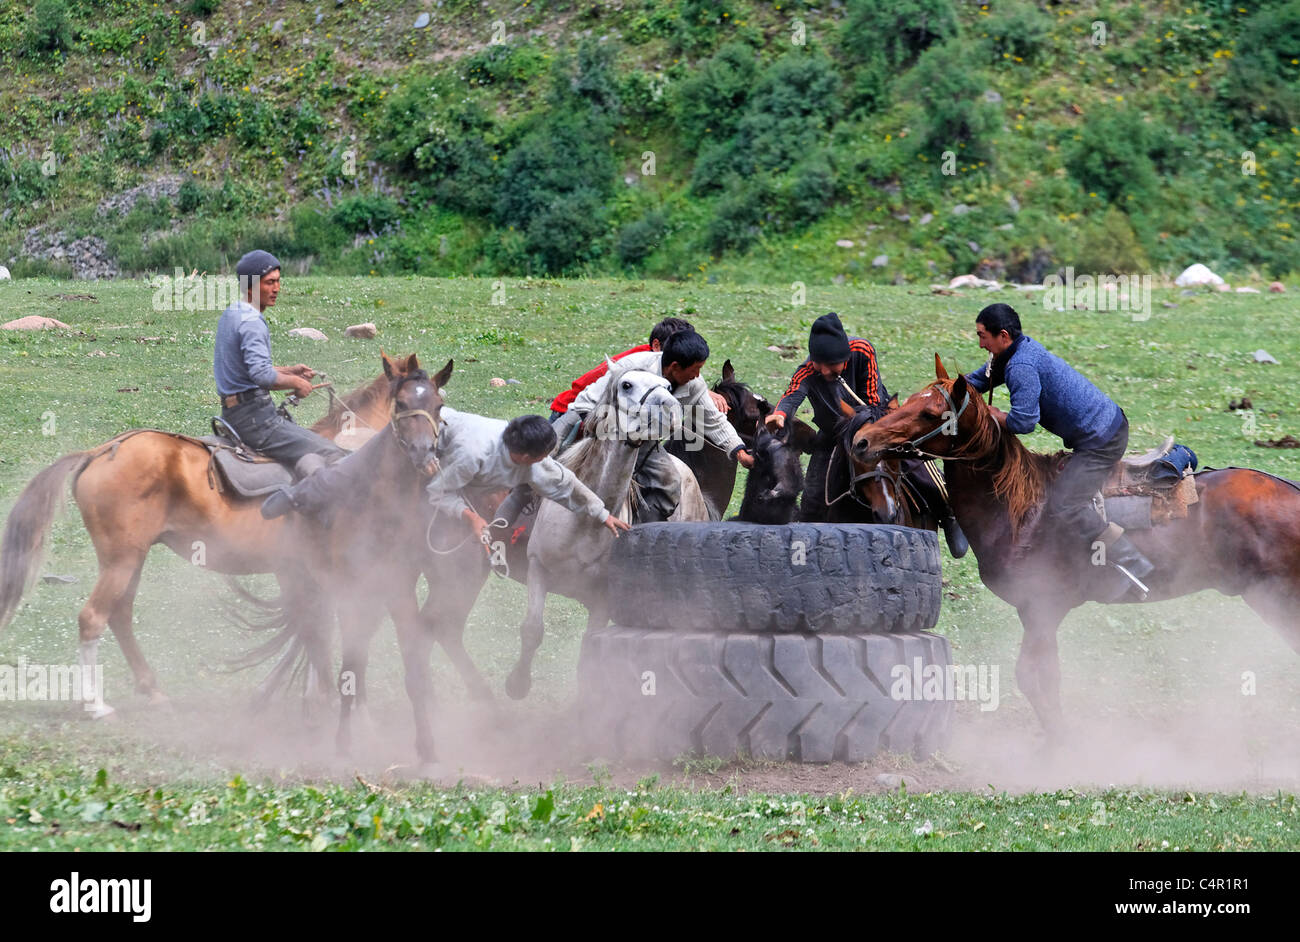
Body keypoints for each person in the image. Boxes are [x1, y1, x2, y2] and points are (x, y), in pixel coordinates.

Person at [963, 303, 1153, 600]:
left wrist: (995, 414)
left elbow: (1024, 422)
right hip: (1101, 427)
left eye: (982, 336)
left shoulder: (1020, 366)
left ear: (1002, 335)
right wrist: (945, 391)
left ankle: (1132, 561)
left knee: (1065, 505)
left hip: (1102, 440)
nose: (980, 344)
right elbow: (977, 381)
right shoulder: (1013, 351)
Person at [766, 312, 967, 554]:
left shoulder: (862, 350)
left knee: (919, 467)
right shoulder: (809, 370)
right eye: (819, 364)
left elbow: (873, 401)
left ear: (845, 357)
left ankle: (948, 514)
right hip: (834, 435)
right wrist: (780, 414)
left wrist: (865, 427)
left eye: (831, 365)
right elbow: (793, 392)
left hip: (876, 423)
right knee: (812, 497)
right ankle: (809, 551)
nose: (824, 370)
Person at [264, 411, 629, 543]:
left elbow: (565, 484)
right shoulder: (474, 457)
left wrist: (602, 513)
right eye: (542, 457)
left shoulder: (533, 462)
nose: (546, 462)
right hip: (412, 438)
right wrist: (470, 516)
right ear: (523, 455)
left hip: (444, 458)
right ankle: (297, 497)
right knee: (352, 471)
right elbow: (439, 492)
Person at [555, 329, 755, 522]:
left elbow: (714, 419)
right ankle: (528, 511)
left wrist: (739, 451)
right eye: (695, 369)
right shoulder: (633, 366)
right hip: (598, 427)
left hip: (642, 441)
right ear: (675, 367)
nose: (697, 375)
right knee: (545, 456)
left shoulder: (694, 384)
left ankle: (642, 531)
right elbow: (588, 402)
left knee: (669, 484)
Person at [214, 250, 344, 473]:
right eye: (269, 283)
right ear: (250, 287)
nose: (277, 289)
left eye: (278, 281)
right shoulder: (252, 322)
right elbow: (261, 376)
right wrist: (297, 383)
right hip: (256, 421)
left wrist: (289, 371)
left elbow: (245, 368)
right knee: (333, 453)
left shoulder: (233, 313)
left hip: (234, 414)